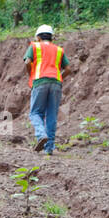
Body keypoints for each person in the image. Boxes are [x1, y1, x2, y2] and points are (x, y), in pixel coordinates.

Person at [24, 24, 69, 154]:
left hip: (39, 81)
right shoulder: (59, 50)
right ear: (52, 38)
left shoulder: (34, 46)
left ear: (38, 37)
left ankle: (41, 134)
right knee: (51, 115)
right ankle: (49, 148)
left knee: (35, 113)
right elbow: (68, 69)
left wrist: (31, 75)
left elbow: (27, 62)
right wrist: (59, 77)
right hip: (56, 82)